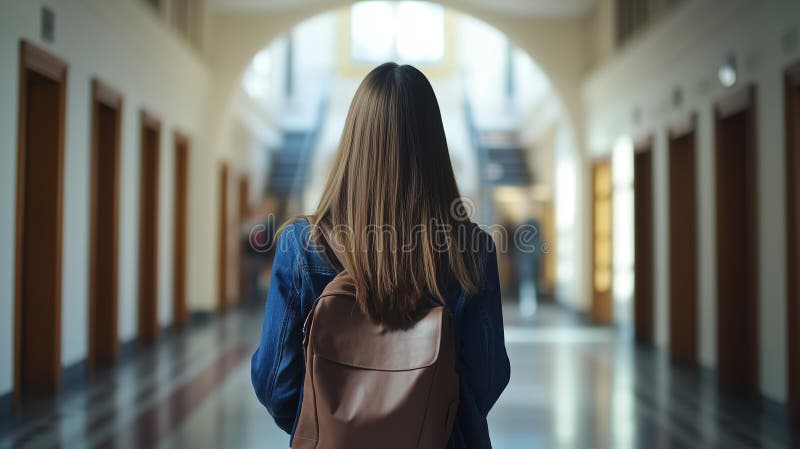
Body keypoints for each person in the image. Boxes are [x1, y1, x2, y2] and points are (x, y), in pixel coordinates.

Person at [251, 62, 511, 449]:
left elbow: (276, 385)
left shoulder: (301, 245)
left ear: (353, 142)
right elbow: (487, 378)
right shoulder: (472, 250)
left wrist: (340, 422)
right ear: (435, 147)